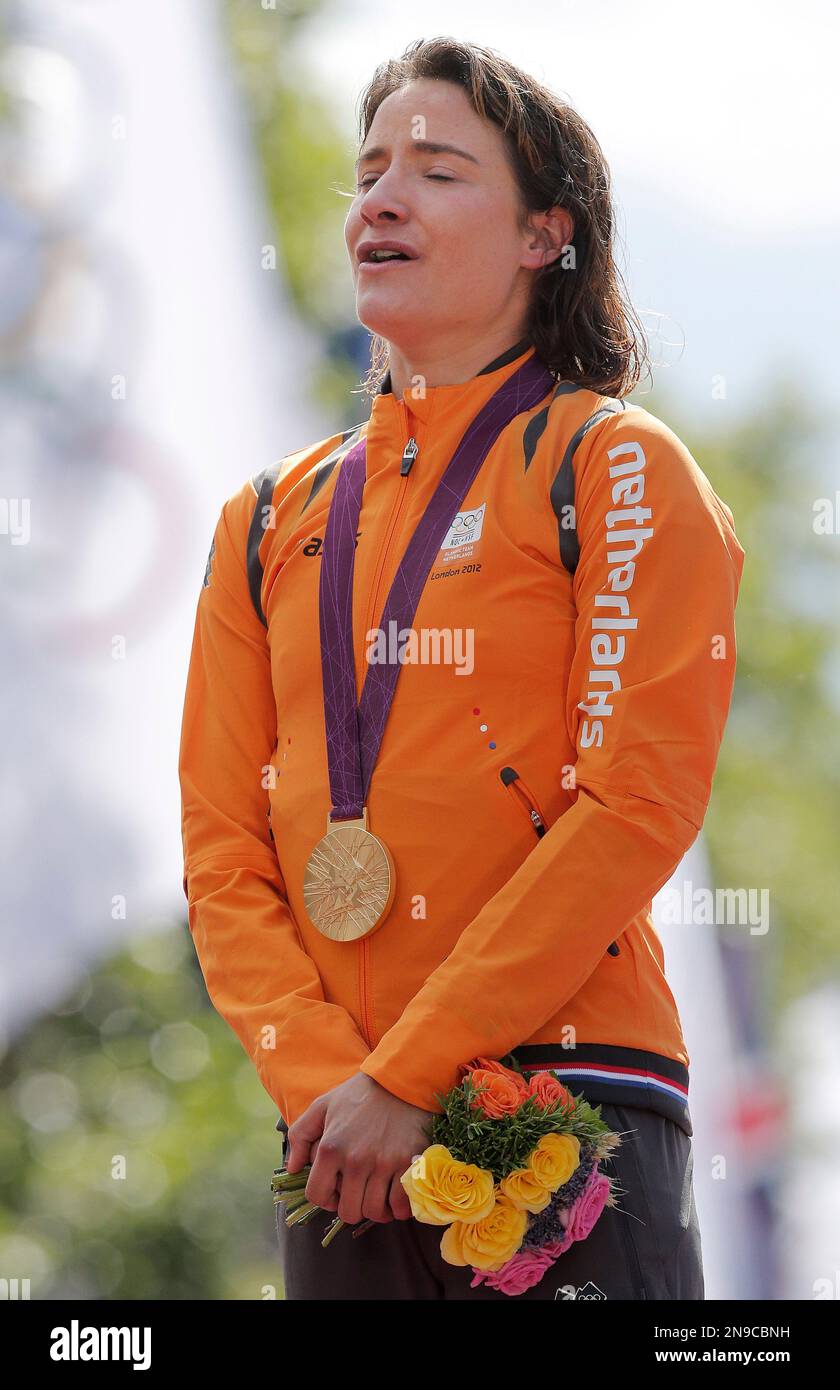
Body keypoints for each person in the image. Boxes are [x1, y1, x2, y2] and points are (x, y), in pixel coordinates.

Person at [178, 37, 745, 1301]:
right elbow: (221, 856)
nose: (379, 198)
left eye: (436, 171)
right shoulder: (265, 518)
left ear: (549, 235)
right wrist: (326, 1080)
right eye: (368, 169)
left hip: (571, 1094)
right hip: (335, 1143)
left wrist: (409, 1075)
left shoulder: (613, 463)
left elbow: (637, 804)